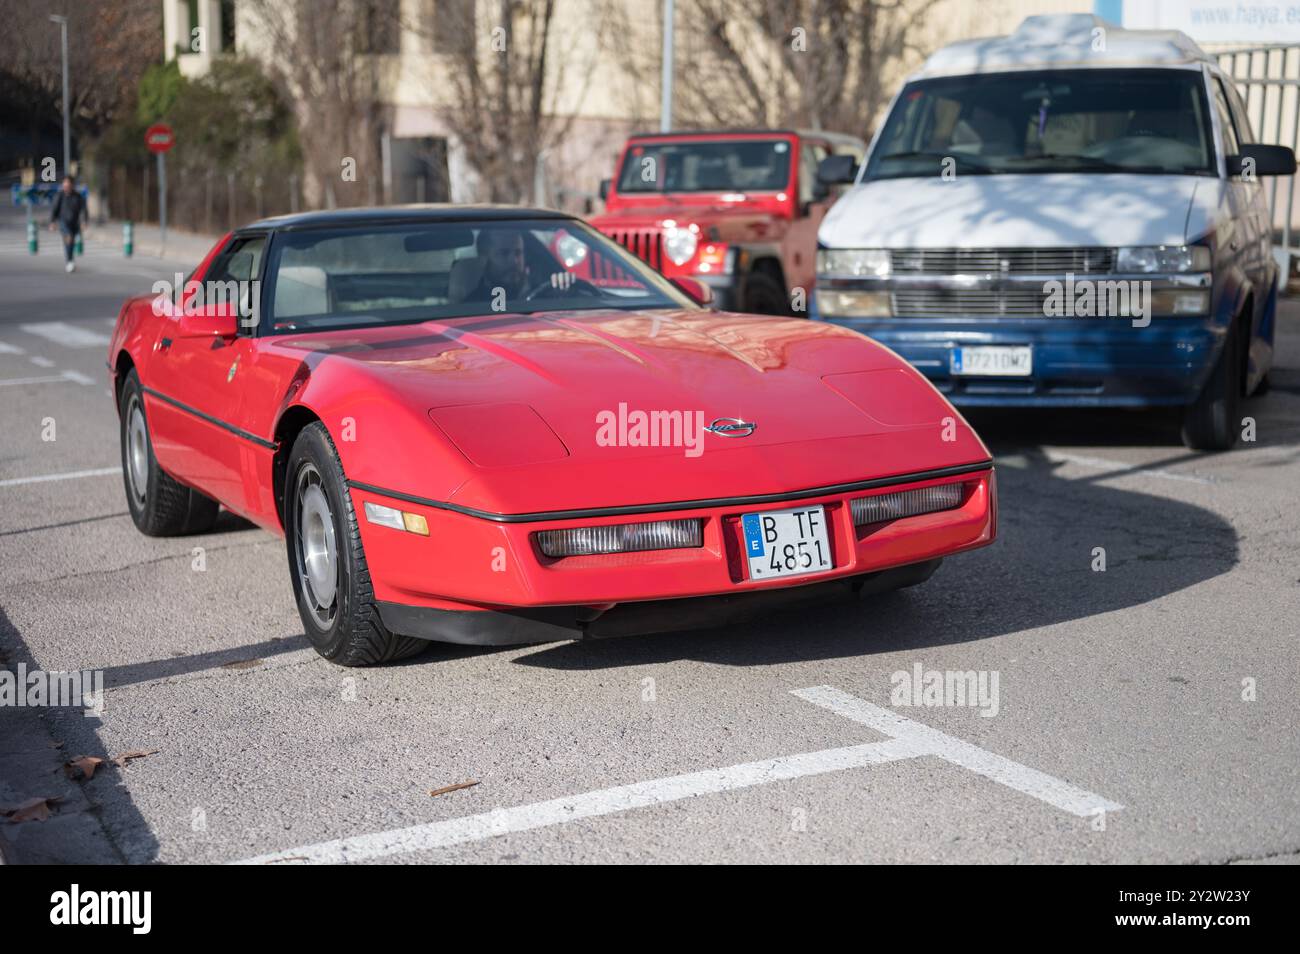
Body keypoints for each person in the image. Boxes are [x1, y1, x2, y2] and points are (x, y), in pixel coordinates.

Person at [464, 228, 575, 307]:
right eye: (504, 253)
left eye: (518, 253)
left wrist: (564, 293)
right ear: (484, 258)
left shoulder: (547, 292)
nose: (514, 261)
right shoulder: (472, 306)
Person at [48, 175, 87, 273]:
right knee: (69, 238)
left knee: (70, 242)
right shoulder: (59, 196)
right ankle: (70, 261)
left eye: (68, 184)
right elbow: (54, 209)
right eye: (64, 184)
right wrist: (52, 222)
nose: (66, 186)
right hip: (63, 222)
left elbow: (84, 210)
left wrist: (84, 221)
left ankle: (69, 260)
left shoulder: (78, 196)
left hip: (74, 223)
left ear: (72, 185)